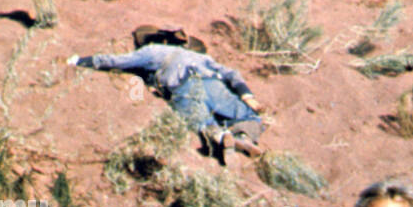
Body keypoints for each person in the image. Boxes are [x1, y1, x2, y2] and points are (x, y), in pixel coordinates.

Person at [67, 40, 265, 158]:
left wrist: (80, 61)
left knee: (201, 123)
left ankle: (219, 137)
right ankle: (243, 137)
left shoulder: (154, 51)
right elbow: (232, 73)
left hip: (185, 89)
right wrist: (247, 95)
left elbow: (120, 61)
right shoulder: (202, 57)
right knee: (249, 117)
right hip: (214, 85)